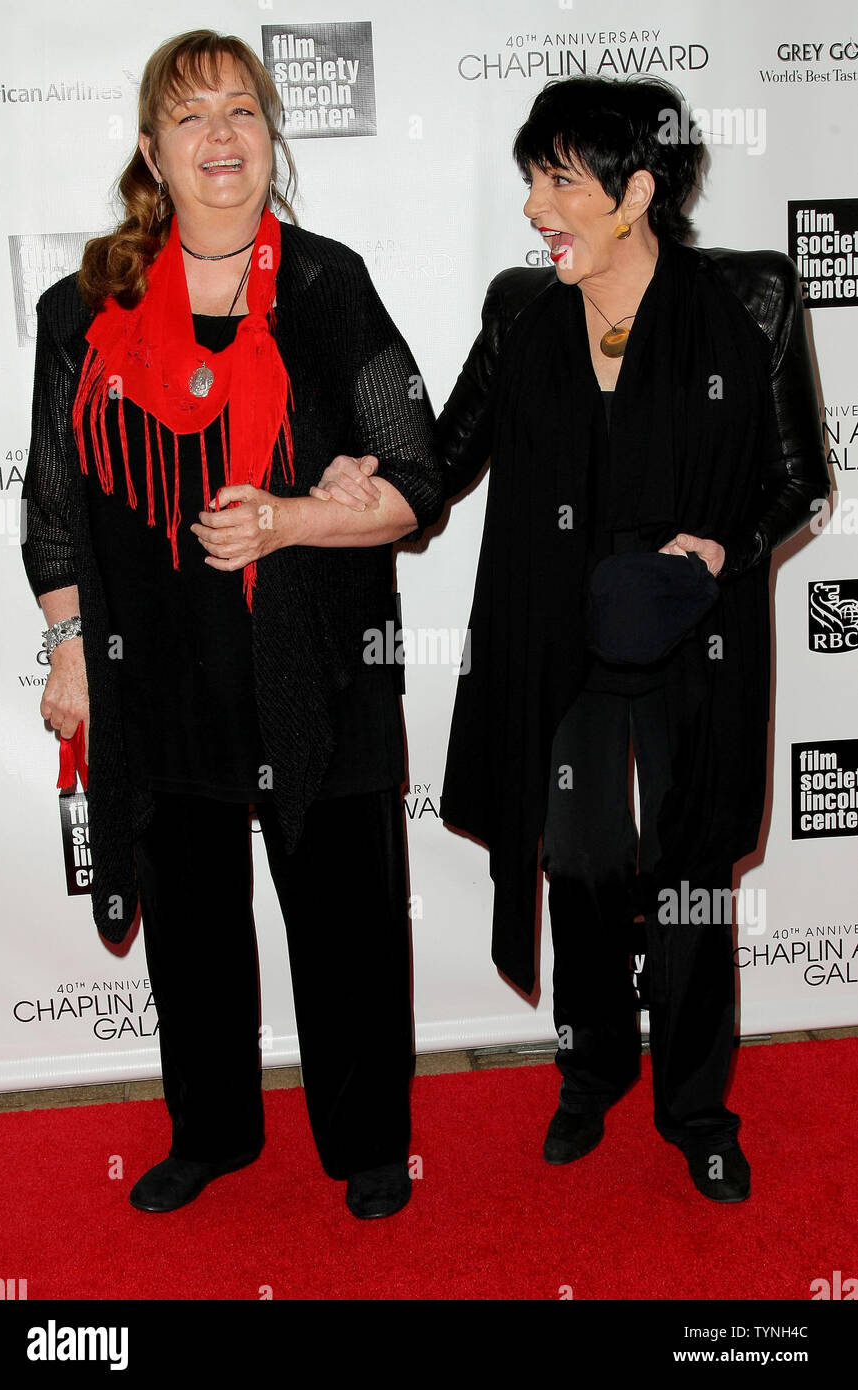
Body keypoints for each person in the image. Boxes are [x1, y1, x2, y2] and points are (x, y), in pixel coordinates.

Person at [329, 76, 828, 1202]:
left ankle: (695, 1105)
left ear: (634, 190)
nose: (533, 206)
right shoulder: (520, 310)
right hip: (557, 644)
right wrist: (365, 474)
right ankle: (592, 1066)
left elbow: (799, 481)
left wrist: (721, 551)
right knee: (587, 865)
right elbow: (443, 456)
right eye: (530, 179)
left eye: (558, 180)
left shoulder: (747, 300)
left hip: (690, 634)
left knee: (692, 874)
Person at [22, 29, 443, 1220]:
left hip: (316, 663)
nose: (222, 137)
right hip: (159, 675)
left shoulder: (325, 287)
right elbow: (53, 506)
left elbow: (413, 477)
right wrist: (68, 648)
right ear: (151, 152)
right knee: (194, 932)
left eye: (244, 111)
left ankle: (365, 1137)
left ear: (272, 139)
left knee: (348, 924)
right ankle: (211, 1129)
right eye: (192, 116)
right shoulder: (80, 311)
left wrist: (295, 518)